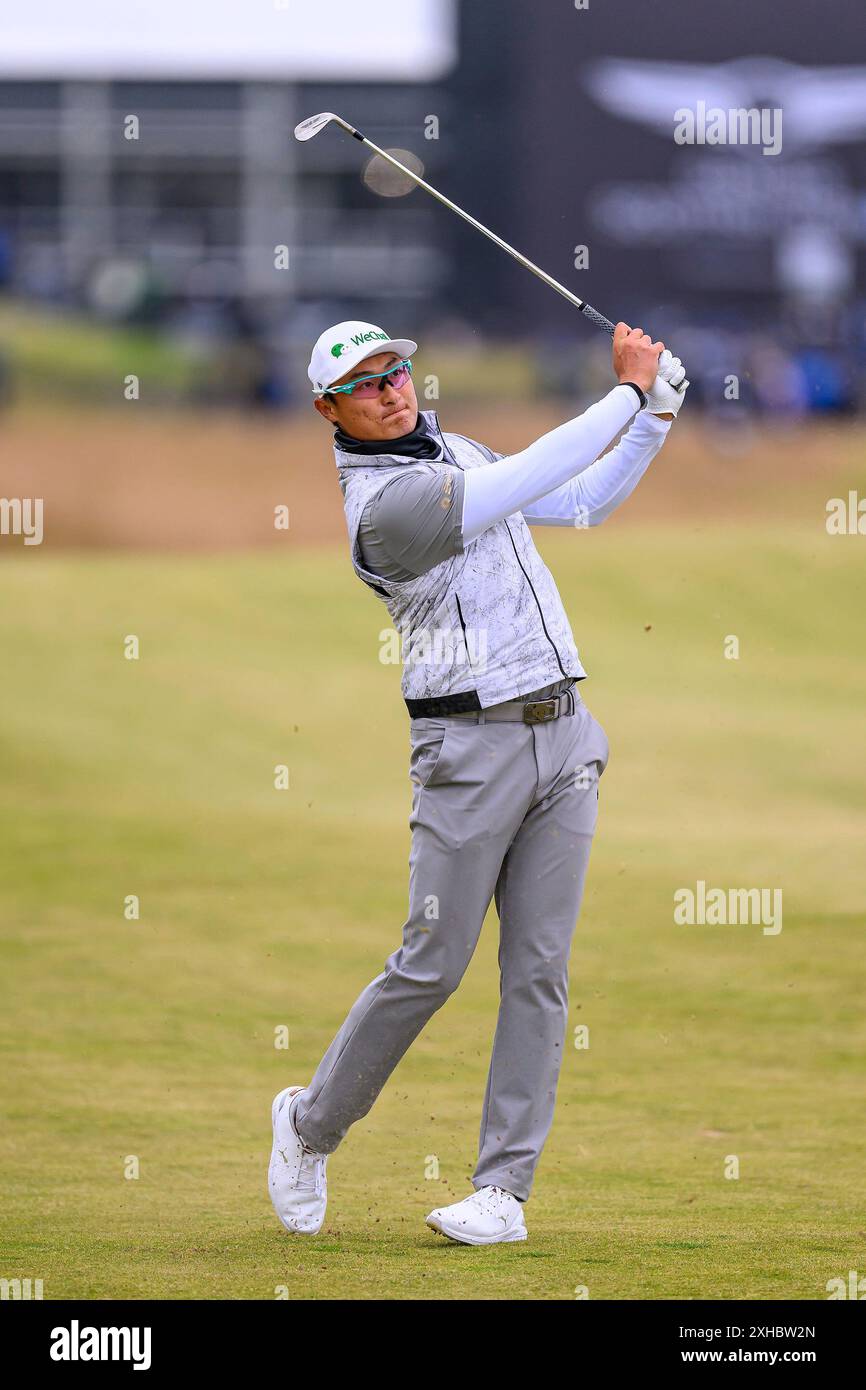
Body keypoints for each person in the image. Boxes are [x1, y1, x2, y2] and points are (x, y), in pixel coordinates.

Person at [268, 319, 688, 1245]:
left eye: (397, 371)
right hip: (466, 752)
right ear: (328, 410)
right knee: (433, 965)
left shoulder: (452, 448)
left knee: (539, 971)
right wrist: (623, 391)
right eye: (368, 384)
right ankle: (309, 1127)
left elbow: (579, 503)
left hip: (563, 734)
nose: (392, 389)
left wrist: (654, 416)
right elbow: (530, 476)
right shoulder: (387, 508)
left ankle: (502, 1192)